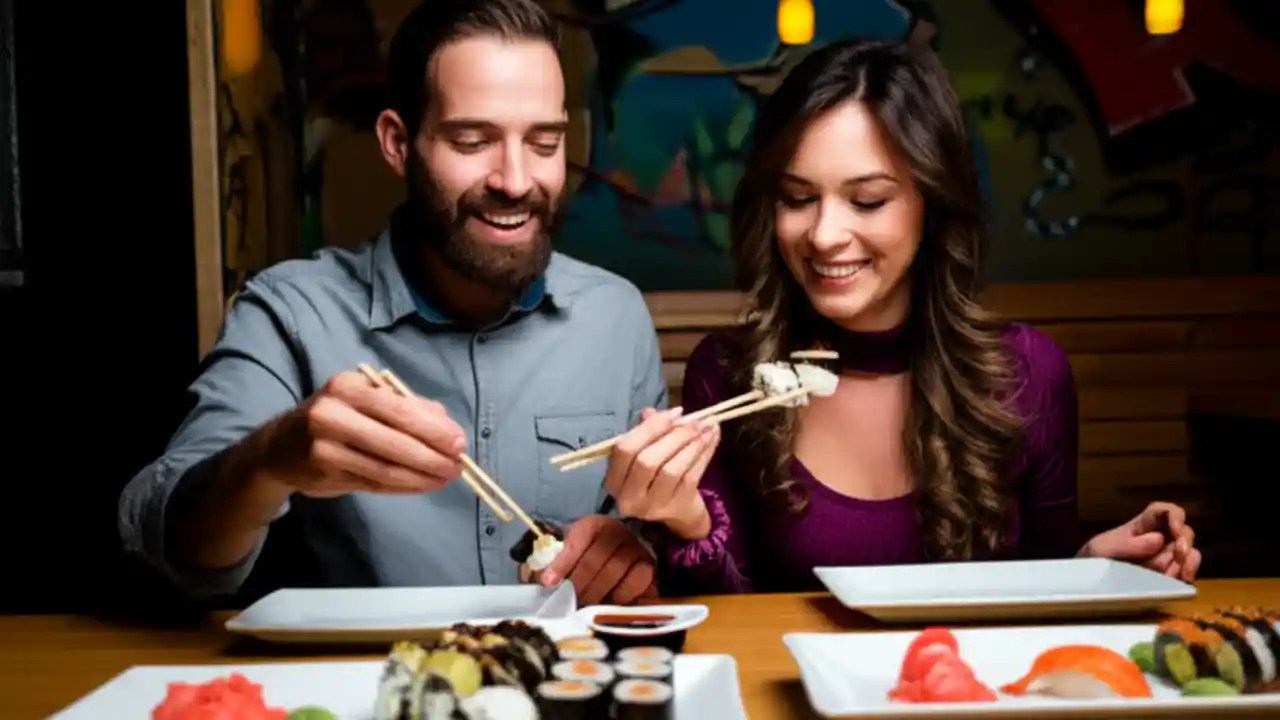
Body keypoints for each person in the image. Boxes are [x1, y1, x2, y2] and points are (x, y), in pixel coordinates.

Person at [117, 0, 718, 606]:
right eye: (472, 140)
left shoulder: (614, 316)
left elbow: (643, 544)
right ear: (398, 143)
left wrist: (631, 551)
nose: (514, 179)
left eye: (543, 142)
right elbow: (168, 544)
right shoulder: (292, 312)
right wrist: (271, 458)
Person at [608, 38, 1201, 594]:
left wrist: (1096, 567)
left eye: (867, 200)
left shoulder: (1029, 373)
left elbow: (1038, 585)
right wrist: (686, 523)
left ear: (932, 205)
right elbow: (729, 617)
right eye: (797, 197)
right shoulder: (730, 373)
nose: (824, 234)